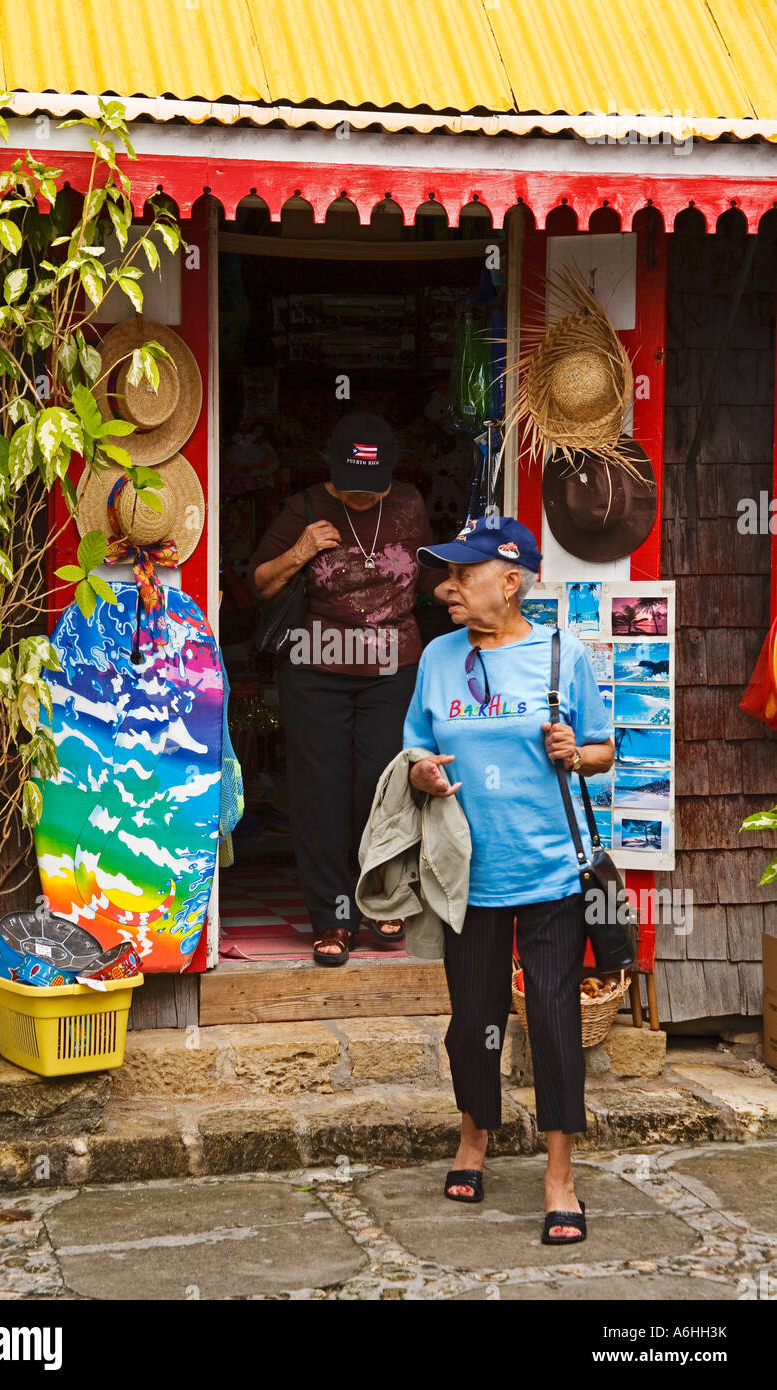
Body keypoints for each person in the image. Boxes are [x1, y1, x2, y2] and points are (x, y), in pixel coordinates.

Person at [403, 516, 614, 1243]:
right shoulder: (436, 657)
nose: (447, 587)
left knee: (554, 1023)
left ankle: (561, 1176)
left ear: (511, 580)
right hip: (468, 875)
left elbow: (604, 748)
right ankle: (474, 1139)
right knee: (475, 1022)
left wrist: (577, 753)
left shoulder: (563, 657)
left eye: (462, 575)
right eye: (448, 574)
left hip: (552, 868)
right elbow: (415, 746)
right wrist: (422, 771)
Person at [248, 411, 441, 966]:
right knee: (322, 796)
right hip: (317, 673)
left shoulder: (407, 504)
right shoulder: (303, 508)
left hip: (392, 669)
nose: (362, 498)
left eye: (371, 488)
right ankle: (333, 919)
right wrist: (300, 550)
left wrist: (457, 582)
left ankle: (381, 896)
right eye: (351, 489)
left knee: (382, 788)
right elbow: (260, 583)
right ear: (331, 472)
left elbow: (423, 573)